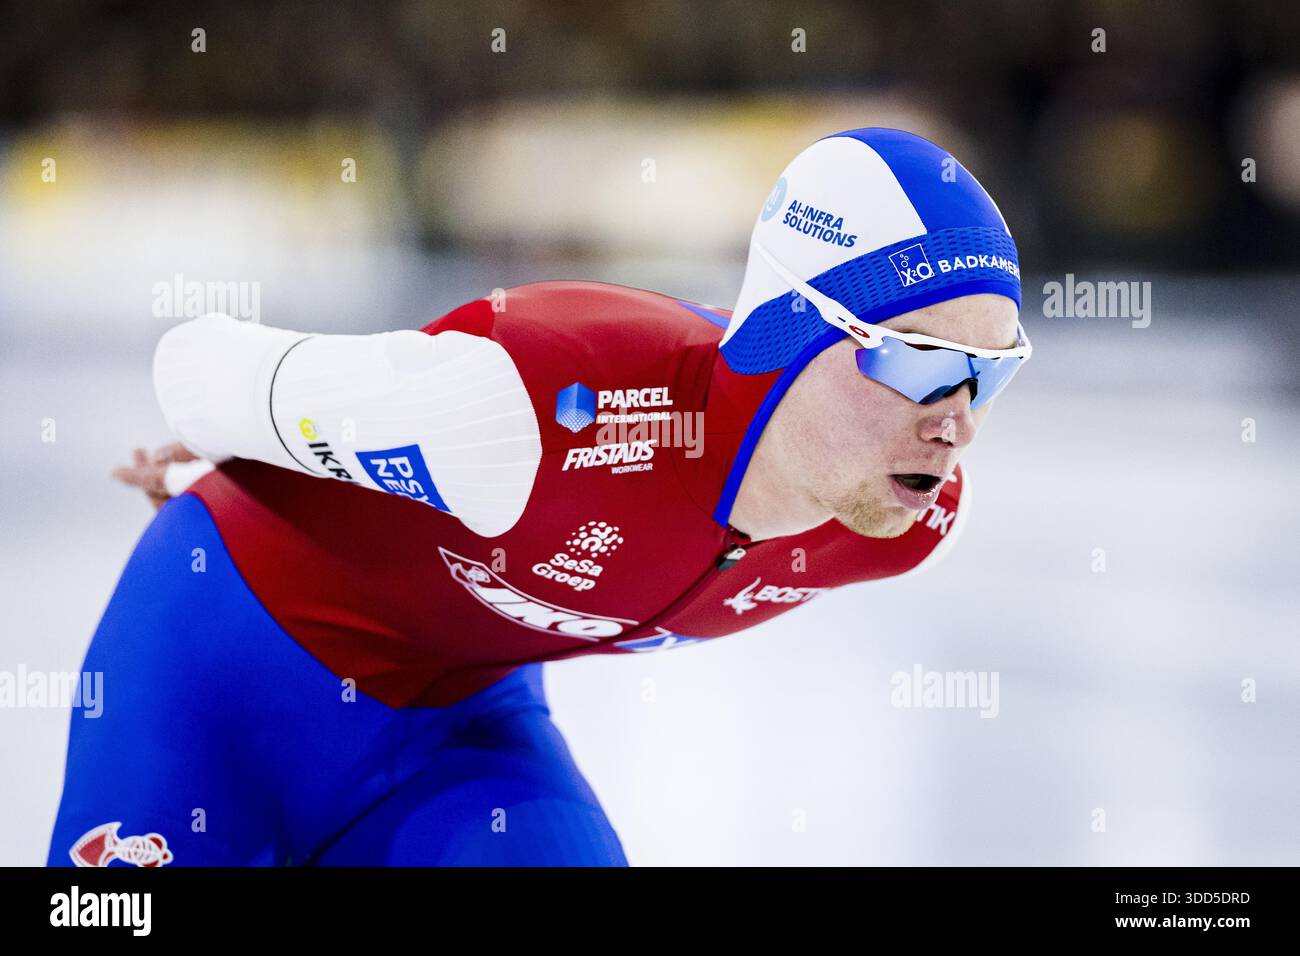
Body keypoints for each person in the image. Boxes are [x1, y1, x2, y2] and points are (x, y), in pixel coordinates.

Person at [48, 127, 1030, 866]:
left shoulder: (907, 520)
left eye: (990, 374)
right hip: (215, 677)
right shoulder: (532, 407)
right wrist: (209, 467)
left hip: (458, 722)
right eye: (921, 360)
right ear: (796, 326)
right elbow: (194, 367)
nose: (959, 420)